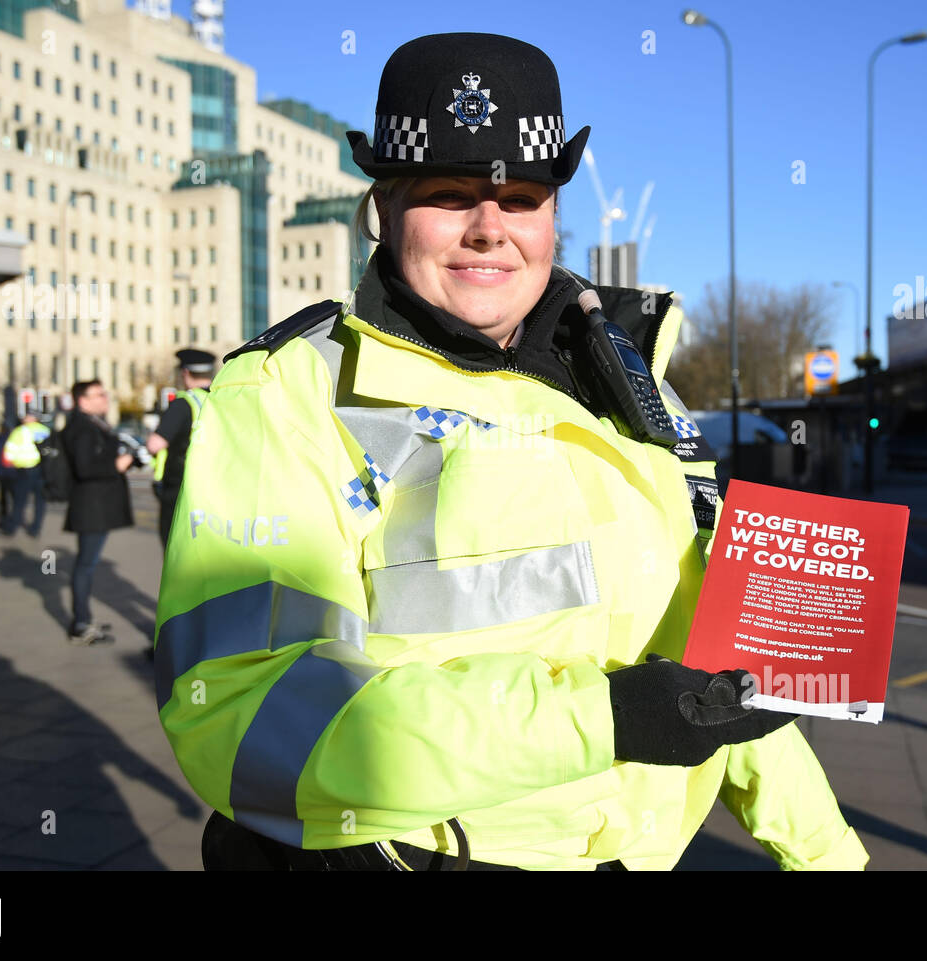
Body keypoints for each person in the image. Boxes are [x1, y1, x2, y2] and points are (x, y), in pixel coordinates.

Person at [156, 32, 869, 871]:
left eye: (522, 197)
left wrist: (828, 855)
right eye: (451, 194)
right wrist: (603, 718)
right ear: (384, 209)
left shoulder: (640, 397)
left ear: (554, 217)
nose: (490, 229)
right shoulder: (284, 396)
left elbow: (719, 675)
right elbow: (234, 712)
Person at [61, 380, 133, 646]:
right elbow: (85, 467)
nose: (105, 398)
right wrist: (117, 464)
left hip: (95, 506)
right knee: (85, 565)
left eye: (105, 393)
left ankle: (83, 618)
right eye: (99, 395)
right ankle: (80, 624)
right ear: (83, 400)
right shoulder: (81, 428)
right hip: (90, 507)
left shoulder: (91, 423)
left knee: (87, 564)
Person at [146, 348, 214, 550]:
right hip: (213, 486)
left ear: (185, 373)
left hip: (180, 488)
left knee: (176, 551)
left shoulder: (184, 403)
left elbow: (155, 444)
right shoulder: (219, 399)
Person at [0, 411, 49, 537]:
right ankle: (36, 528)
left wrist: (9, 464)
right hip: (42, 469)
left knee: (19, 500)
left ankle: (13, 526)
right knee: (40, 501)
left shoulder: (20, 431)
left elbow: (10, 449)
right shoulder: (46, 431)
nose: (24, 418)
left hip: (24, 468)